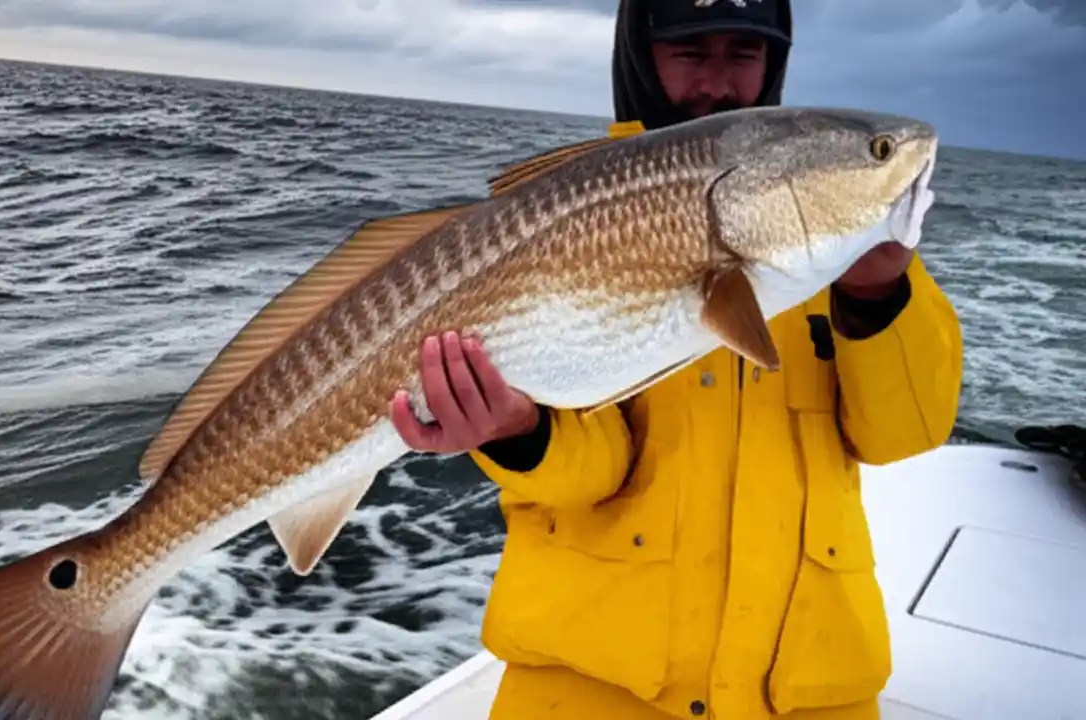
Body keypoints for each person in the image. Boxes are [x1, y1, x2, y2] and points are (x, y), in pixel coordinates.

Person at [388, 0, 964, 718]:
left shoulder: (849, 255)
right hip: (588, 684)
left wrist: (878, 293)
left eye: (744, 55)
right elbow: (586, 477)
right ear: (640, 55)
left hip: (809, 691)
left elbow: (907, 432)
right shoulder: (571, 221)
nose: (718, 85)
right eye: (691, 53)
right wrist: (519, 431)